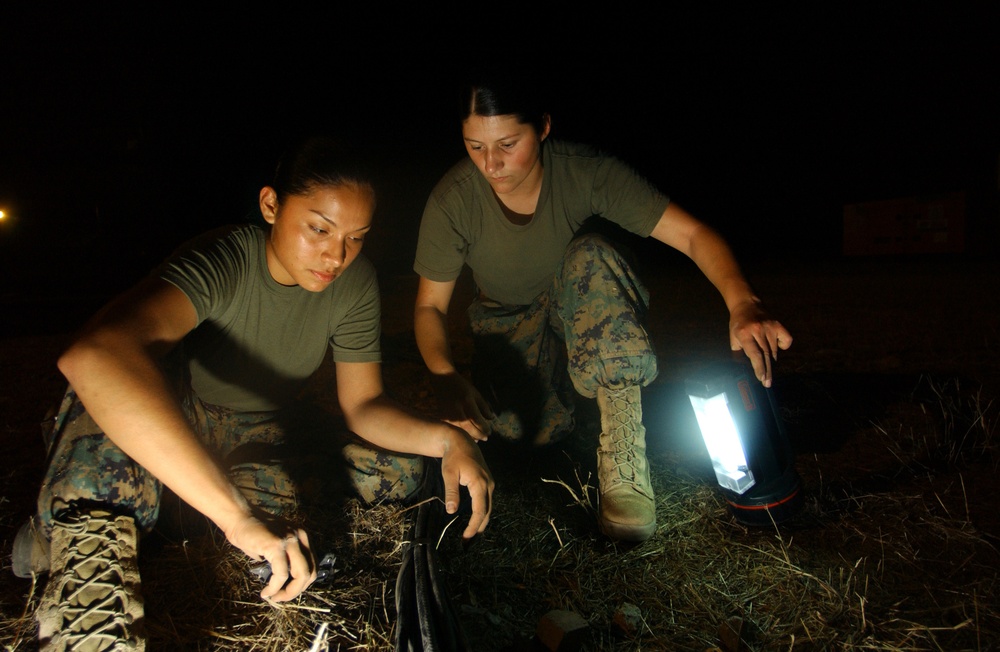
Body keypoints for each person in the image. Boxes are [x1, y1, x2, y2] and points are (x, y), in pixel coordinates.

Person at [12, 135, 495, 650]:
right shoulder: (226, 259)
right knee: (107, 401)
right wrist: (237, 518)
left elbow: (363, 405)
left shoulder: (354, 284)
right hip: (183, 416)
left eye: (356, 237)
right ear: (271, 205)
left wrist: (445, 440)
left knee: (398, 467)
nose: (337, 255)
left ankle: (168, 505)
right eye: (319, 228)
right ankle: (84, 556)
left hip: (259, 436)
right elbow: (95, 355)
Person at [412, 77, 792, 544]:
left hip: (578, 307)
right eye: (475, 146)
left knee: (591, 256)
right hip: (509, 323)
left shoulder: (584, 172)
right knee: (523, 439)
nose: (491, 164)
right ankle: (580, 412)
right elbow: (430, 305)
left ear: (543, 127)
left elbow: (693, 235)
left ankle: (624, 460)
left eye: (508, 144)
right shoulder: (454, 200)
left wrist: (743, 302)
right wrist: (445, 374)